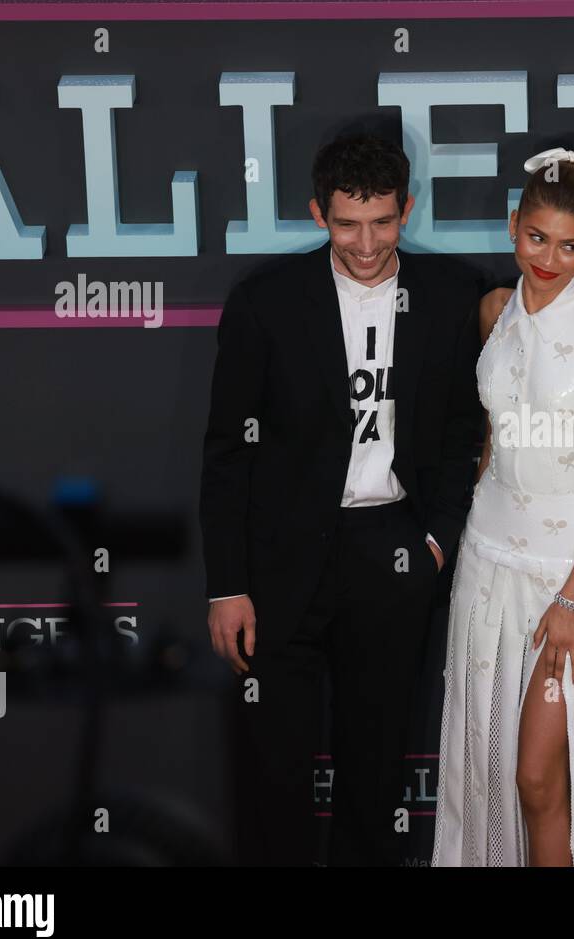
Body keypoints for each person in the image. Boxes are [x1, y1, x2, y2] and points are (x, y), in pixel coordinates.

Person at [199, 133, 484, 865]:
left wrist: (436, 540)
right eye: (348, 223)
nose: (366, 242)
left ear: (407, 210)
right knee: (273, 775)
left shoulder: (451, 298)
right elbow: (227, 452)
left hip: (393, 552)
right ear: (318, 212)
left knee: (375, 771)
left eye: (384, 222)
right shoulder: (266, 304)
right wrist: (227, 584)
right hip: (281, 563)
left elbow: (463, 435)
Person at [431, 148, 574, 867]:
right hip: (485, 560)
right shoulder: (494, 309)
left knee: (537, 773)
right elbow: (494, 438)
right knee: (490, 769)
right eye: (536, 237)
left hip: (565, 573)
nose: (549, 258)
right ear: (514, 224)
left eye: (571, 245)